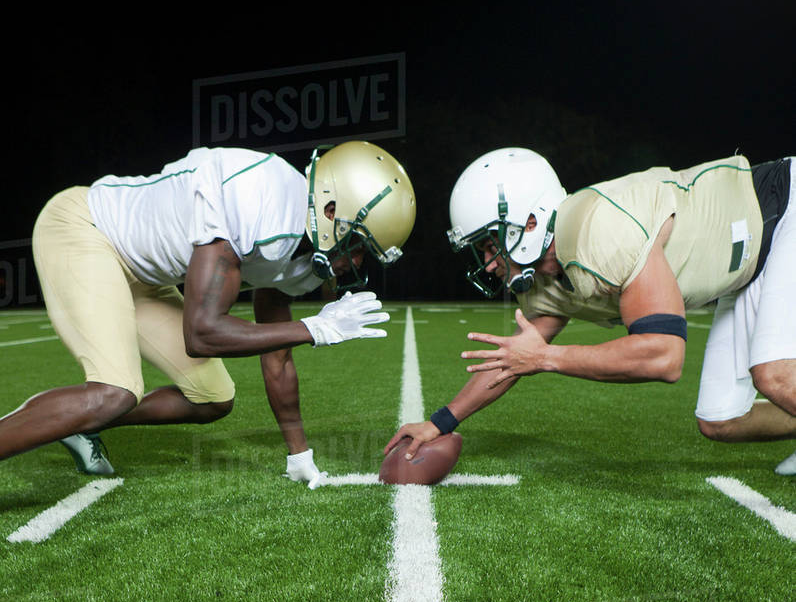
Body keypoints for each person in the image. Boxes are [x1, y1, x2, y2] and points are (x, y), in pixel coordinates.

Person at [3, 141, 416, 486]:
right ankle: (70, 415)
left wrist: (299, 453)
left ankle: (81, 423)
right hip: (87, 229)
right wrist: (314, 329)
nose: (355, 262)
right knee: (116, 391)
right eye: (358, 245)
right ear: (330, 210)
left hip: (145, 275)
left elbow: (277, 356)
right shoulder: (258, 199)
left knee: (212, 397)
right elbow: (201, 333)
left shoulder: (303, 254)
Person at [386, 146, 796, 476]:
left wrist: (546, 359)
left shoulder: (599, 232)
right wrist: (440, 422)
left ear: (530, 223)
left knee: (775, 375)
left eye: (491, 244)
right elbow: (513, 359)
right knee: (721, 418)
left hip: (780, 210)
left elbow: (664, 356)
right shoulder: (545, 279)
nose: (489, 263)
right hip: (746, 267)